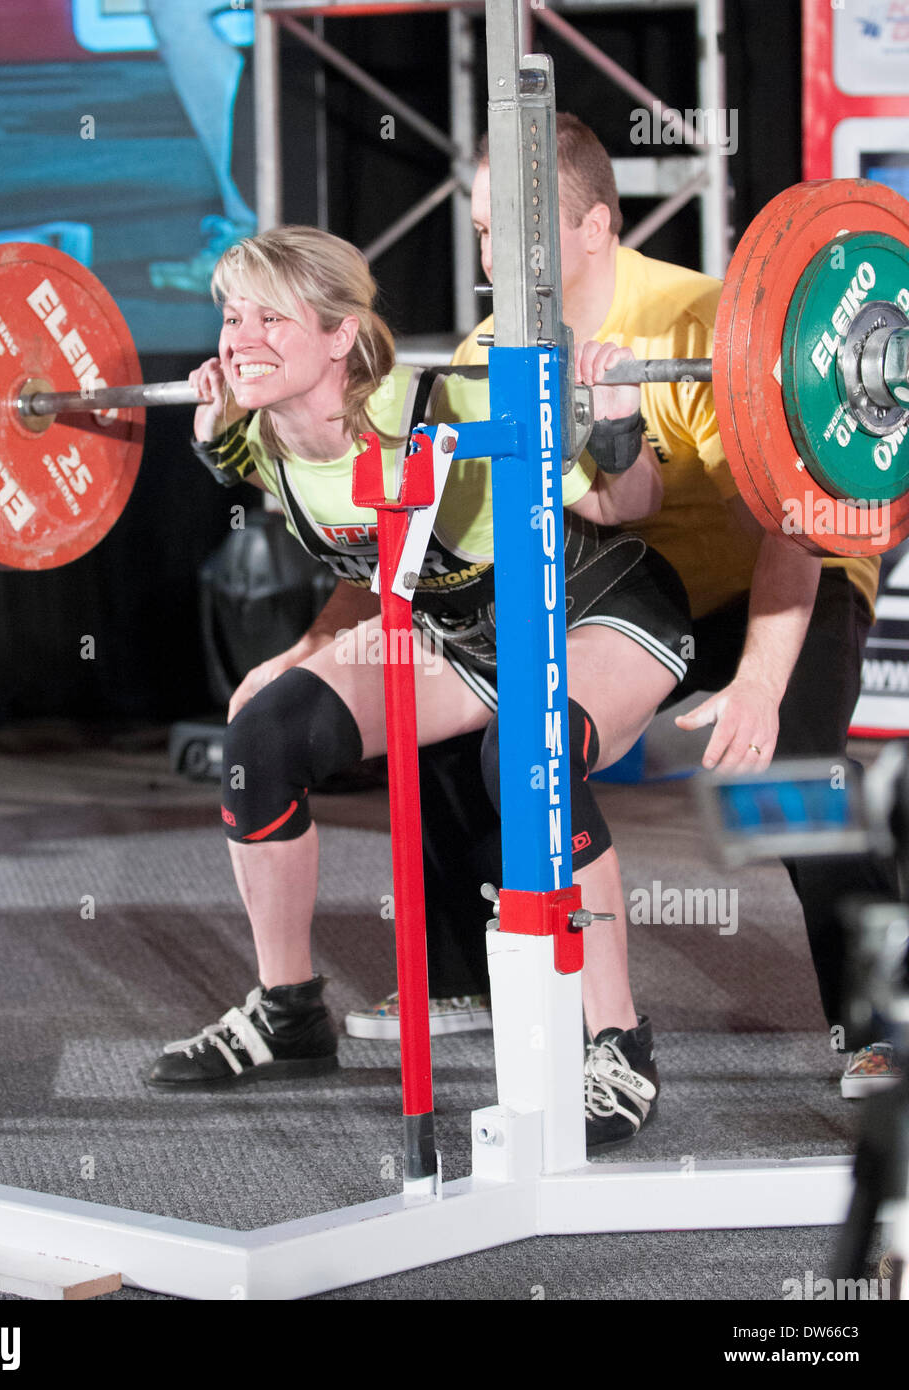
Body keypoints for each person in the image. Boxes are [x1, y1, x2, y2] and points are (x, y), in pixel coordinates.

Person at [348, 113, 896, 1129]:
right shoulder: (493, 352)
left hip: (795, 560)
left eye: (511, 235)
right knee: (451, 703)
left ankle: (876, 1019)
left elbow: (786, 520)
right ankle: (465, 971)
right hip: (653, 592)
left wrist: (759, 689)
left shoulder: (706, 326)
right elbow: (546, 516)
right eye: (477, 233)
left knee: (794, 763)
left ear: (595, 225)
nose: (487, 260)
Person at [146, 225, 691, 1134]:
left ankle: (620, 1047)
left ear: (340, 337)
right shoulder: (261, 434)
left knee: (531, 752)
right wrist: (209, 437)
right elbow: (327, 529)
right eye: (231, 316)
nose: (238, 339)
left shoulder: (442, 407)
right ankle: (288, 1013)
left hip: (595, 605)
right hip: (464, 634)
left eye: (270, 319)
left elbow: (624, 505)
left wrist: (619, 423)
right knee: (263, 738)